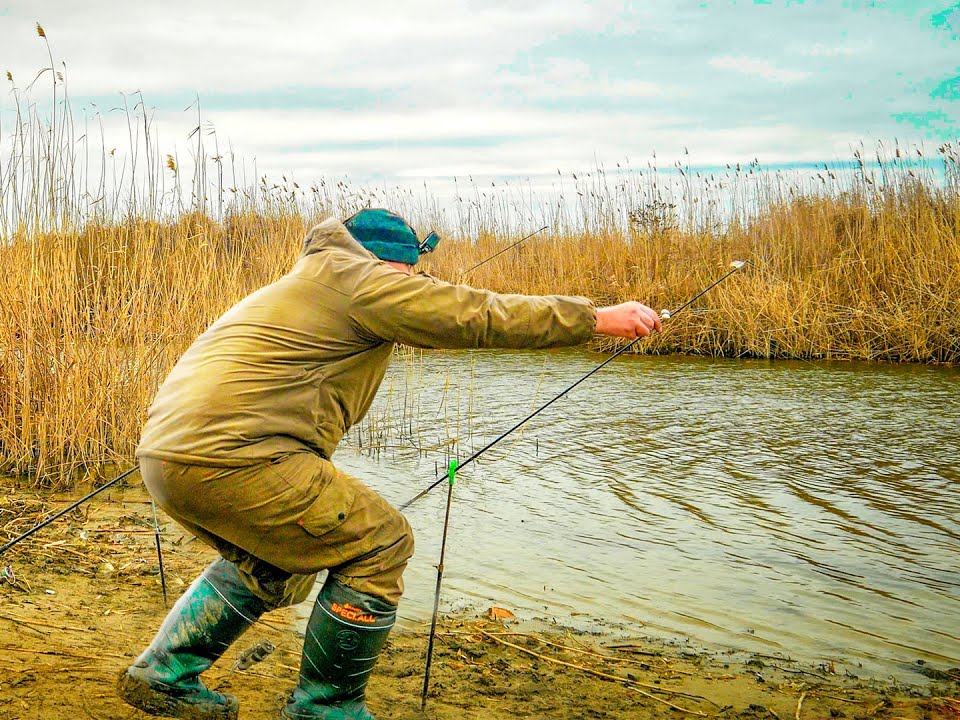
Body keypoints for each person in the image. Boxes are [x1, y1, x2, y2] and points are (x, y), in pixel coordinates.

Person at [118, 209, 662, 720]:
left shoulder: (313, 280)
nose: (416, 282)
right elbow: (475, 314)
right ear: (391, 263)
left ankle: (164, 675)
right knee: (380, 544)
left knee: (273, 561)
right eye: (413, 273)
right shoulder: (363, 281)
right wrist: (594, 318)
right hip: (238, 457)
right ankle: (325, 708)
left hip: (171, 457)